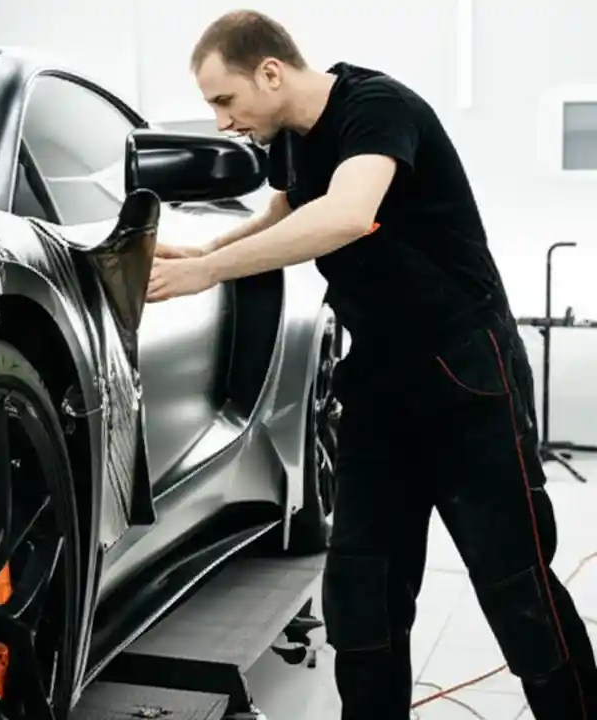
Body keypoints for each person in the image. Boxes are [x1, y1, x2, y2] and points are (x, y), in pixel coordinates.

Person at [147, 9, 597, 719]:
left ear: (270, 71)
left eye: (224, 100)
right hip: (381, 386)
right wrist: (202, 254)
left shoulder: (376, 108)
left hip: (467, 379)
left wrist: (211, 275)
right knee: (363, 597)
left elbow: (348, 213)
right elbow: (288, 210)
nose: (222, 120)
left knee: (518, 590)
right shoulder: (290, 141)